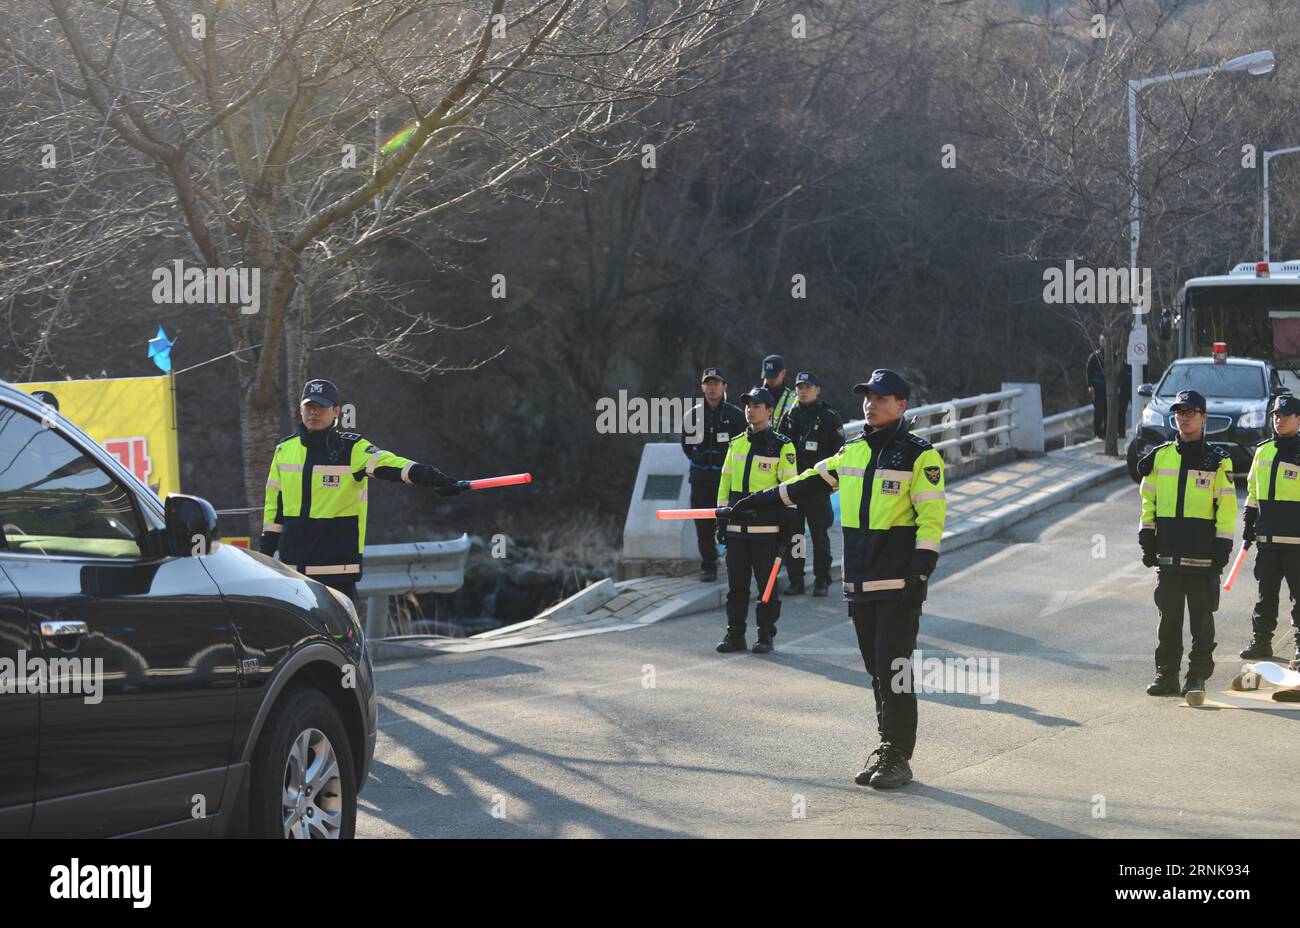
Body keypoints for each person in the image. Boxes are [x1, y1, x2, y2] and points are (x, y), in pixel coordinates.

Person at [732, 369, 946, 789]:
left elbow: (931, 521)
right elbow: (807, 484)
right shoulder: (853, 452)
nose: (871, 404)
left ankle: (899, 756)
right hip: (859, 583)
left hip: (898, 583)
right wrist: (753, 503)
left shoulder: (921, 456)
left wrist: (920, 573)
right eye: (867, 397)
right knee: (876, 671)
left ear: (902, 404)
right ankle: (888, 746)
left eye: (882, 398)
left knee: (895, 668)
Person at [260, 378, 465, 599]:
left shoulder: (352, 448)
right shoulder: (284, 450)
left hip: (338, 569)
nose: (314, 413)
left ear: (336, 411)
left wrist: (434, 477)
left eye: (321, 407)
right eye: (309, 407)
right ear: (300, 410)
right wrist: (265, 556)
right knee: (299, 634)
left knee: (343, 634)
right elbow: (274, 510)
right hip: (293, 569)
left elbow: (393, 465)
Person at [1137, 389, 1236, 700]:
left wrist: (1222, 546)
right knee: (1168, 621)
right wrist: (1146, 535)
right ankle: (1166, 676)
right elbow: (1148, 499)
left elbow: (1227, 508)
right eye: (1179, 412)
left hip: (1203, 557)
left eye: (1190, 412)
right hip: (1168, 554)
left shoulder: (1219, 461)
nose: (1183, 417)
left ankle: (1196, 678)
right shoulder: (1160, 456)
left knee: (1202, 625)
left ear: (1204, 418)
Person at [714, 387, 798, 655]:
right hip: (737, 530)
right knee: (736, 587)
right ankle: (735, 635)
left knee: (767, 587)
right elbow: (724, 483)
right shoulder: (737, 443)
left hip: (768, 531)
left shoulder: (783, 446)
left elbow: (789, 490)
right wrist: (720, 519)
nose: (750, 409)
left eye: (757, 405)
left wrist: (788, 529)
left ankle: (765, 636)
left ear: (770, 411)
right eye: (748, 404)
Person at [1239, 393, 1300, 665]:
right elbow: (1253, 492)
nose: (1279, 419)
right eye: (1276, 414)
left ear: (1299, 419)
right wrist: (1248, 523)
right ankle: (1261, 640)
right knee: (1266, 595)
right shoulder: (1263, 450)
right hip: (1268, 539)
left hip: (1297, 541)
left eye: (1285, 415)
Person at [776, 371, 844, 596]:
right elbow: (779, 451)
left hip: (818, 487)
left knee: (819, 536)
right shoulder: (789, 417)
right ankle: (796, 580)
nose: (803, 391)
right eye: (800, 387)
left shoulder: (828, 417)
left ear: (817, 390)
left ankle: (821, 580)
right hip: (794, 488)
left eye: (808, 387)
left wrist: (830, 483)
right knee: (795, 537)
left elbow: (839, 453)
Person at [680, 367, 745, 581]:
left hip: (726, 481)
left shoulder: (735, 415)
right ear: (702, 387)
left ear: (724, 387)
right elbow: (686, 446)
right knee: (702, 525)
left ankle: (734, 563)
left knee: (729, 522)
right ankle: (709, 565)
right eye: (708, 384)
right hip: (700, 479)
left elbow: (744, 446)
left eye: (716, 383)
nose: (712, 388)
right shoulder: (693, 415)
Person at [759, 354, 798, 430]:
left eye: (774, 376)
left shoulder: (794, 398)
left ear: (783, 373)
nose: (770, 379)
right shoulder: (755, 396)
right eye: (767, 376)